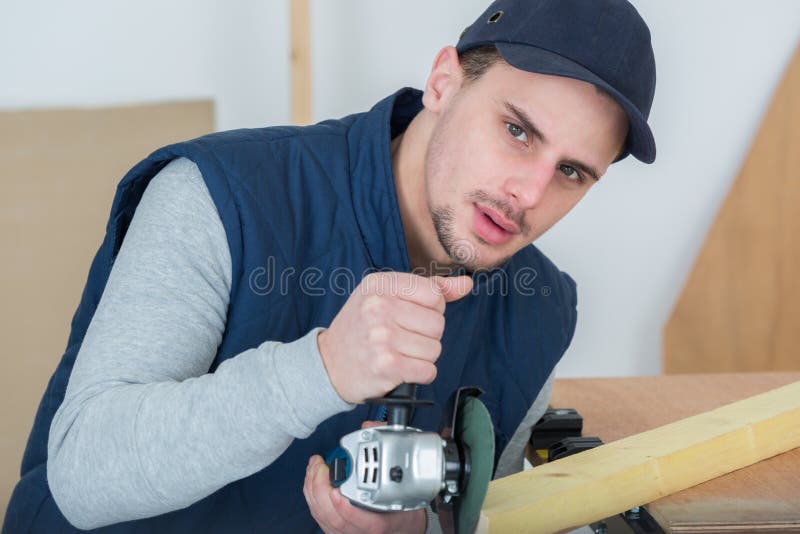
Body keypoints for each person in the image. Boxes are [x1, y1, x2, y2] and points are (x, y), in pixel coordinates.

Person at [3, 0, 656, 532]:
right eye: (518, 131)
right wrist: (320, 370)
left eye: (571, 172)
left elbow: (485, 515)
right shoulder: (220, 194)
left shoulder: (539, 310)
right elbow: (83, 478)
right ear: (443, 82)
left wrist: (421, 531)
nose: (531, 194)